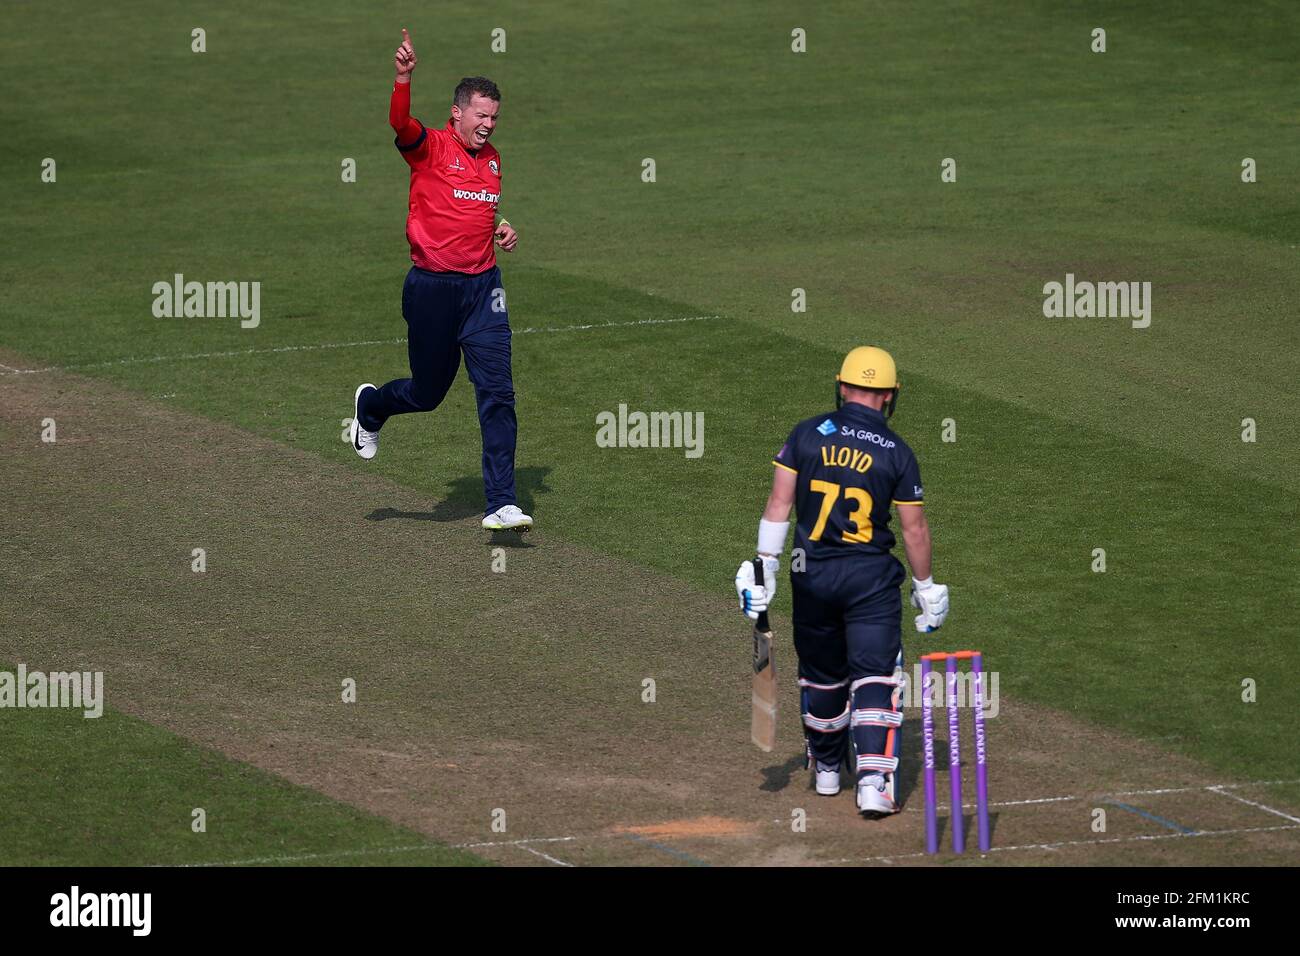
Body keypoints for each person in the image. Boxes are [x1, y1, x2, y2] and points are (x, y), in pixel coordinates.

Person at [734, 346, 949, 815]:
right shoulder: (898, 452)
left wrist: (763, 564)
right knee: (875, 674)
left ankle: (828, 770)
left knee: (824, 675)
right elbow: (914, 529)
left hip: (809, 576)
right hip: (870, 580)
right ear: (891, 396)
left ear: (841, 385)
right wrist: (927, 586)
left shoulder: (807, 434)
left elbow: (779, 504)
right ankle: (873, 782)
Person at [349, 28, 531, 532]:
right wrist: (403, 77)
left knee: (498, 392)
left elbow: (476, 210)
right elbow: (399, 123)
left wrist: (502, 228)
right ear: (457, 113)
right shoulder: (428, 146)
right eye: (481, 116)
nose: (488, 125)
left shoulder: (493, 162)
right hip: (431, 288)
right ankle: (372, 405)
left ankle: (502, 502)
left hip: (483, 291)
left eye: (494, 117)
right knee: (428, 393)